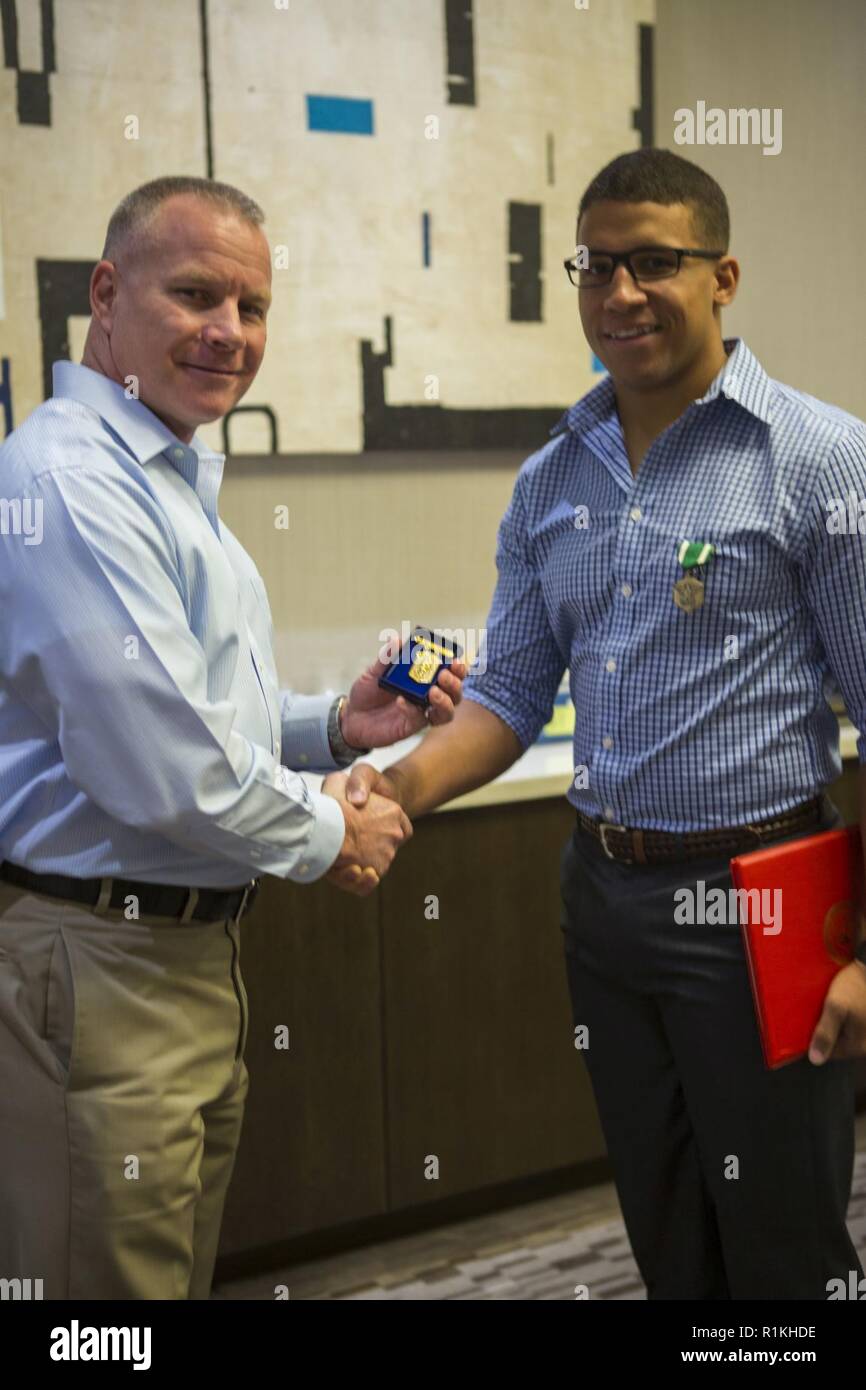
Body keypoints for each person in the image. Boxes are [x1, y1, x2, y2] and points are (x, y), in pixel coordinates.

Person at [340, 148, 866, 1300]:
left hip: (763, 898)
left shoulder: (817, 458)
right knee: (666, 1227)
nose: (619, 292)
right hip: (603, 900)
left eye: (652, 263)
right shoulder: (548, 480)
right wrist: (394, 790)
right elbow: (509, 697)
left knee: (783, 1246)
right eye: (596, 266)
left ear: (721, 276)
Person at [0, 175, 465, 1300]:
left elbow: (186, 717)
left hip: (182, 961)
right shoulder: (71, 479)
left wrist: (329, 728)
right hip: (102, 965)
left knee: (158, 1285)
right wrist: (333, 831)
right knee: (100, 1311)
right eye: (196, 294)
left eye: (251, 307)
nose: (229, 333)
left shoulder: (161, 470)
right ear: (107, 294)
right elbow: (161, 768)